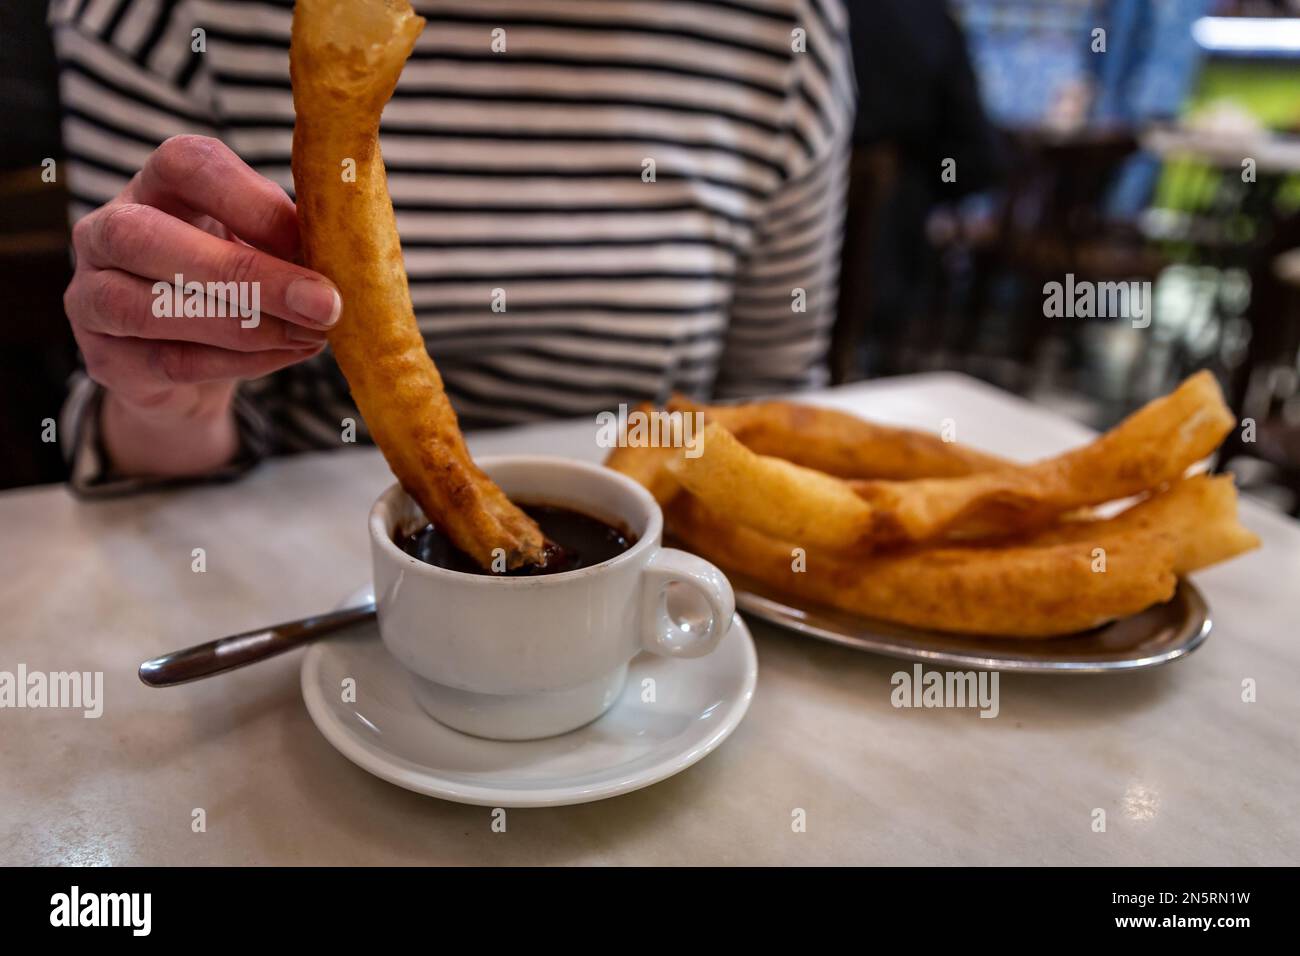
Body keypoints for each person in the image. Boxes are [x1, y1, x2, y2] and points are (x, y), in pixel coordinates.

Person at [48, 0, 853, 491]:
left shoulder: (782, 30)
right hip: (292, 585)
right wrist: (170, 395)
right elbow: (138, 408)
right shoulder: (159, 18)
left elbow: (767, 403)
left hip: (643, 576)